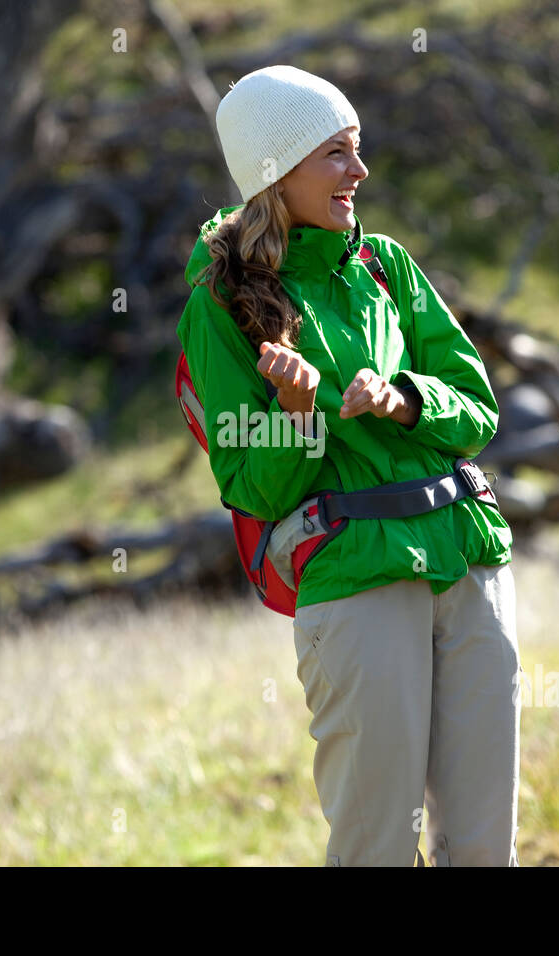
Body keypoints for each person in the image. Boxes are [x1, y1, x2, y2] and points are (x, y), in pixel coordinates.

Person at [176, 64, 521, 867]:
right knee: (376, 850)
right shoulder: (219, 307)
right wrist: (296, 416)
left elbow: (478, 407)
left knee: (484, 849)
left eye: (357, 150)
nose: (359, 173)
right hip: (357, 583)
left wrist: (404, 397)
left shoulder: (386, 267)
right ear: (276, 172)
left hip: (470, 561)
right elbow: (250, 488)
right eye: (335, 154)